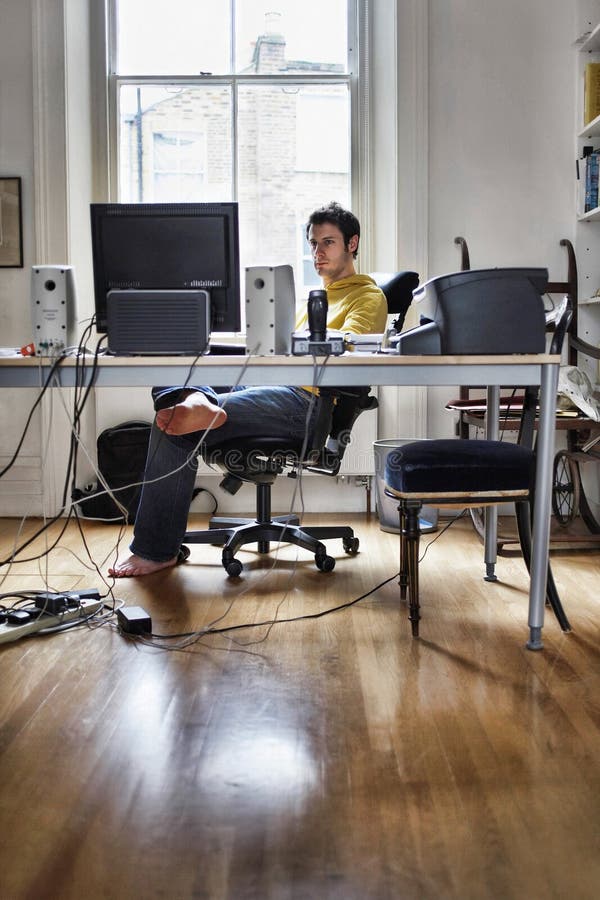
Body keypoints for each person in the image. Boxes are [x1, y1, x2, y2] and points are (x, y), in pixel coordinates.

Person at [109, 201, 387, 577]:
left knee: (174, 424)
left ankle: (156, 550)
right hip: (273, 385)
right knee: (181, 362)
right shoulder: (313, 298)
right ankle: (195, 398)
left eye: (328, 243)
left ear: (352, 244)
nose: (317, 253)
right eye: (312, 244)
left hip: (304, 403)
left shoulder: (367, 297)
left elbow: (348, 351)